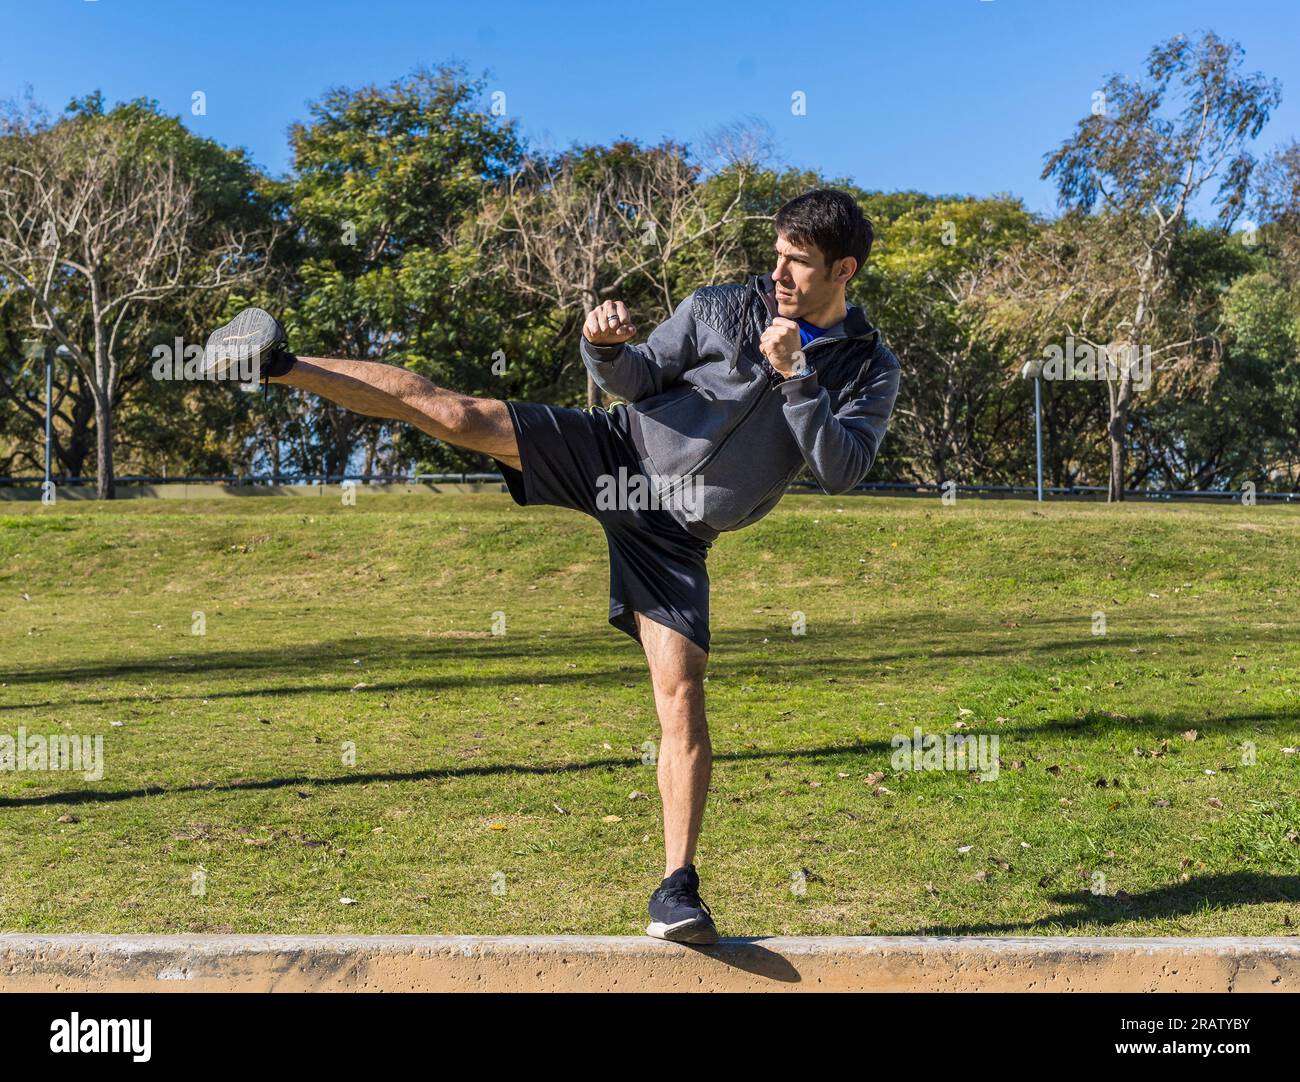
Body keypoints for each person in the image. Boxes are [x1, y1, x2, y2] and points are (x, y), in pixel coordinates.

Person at [204, 188, 901, 944]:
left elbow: (842, 468)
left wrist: (798, 379)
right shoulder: (722, 306)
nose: (779, 274)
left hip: (675, 537)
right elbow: (634, 377)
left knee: (683, 700)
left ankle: (676, 891)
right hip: (618, 455)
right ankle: (277, 361)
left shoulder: (868, 367)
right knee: (458, 414)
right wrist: (603, 345)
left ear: (844, 269)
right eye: (775, 255)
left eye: (797, 263)